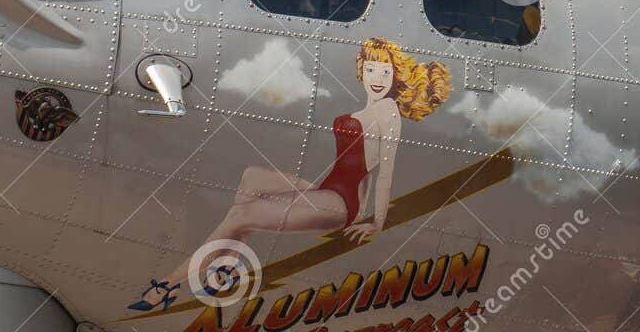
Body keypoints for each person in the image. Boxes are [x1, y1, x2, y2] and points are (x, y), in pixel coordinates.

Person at [127, 38, 450, 312]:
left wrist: (376, 222)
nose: (376, 77)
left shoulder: (389, 113)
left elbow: (385, 173)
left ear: (396, 76)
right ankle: (224, 265)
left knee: (241, 214)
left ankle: (167, 286)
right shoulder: (364, 110)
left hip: (342, 203)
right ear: (361, 72)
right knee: (253, 178)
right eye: (370, 69)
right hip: (327, 189)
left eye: (385, 71)